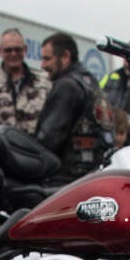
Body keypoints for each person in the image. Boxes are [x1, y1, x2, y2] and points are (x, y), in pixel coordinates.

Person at [35, 32, 114, 182]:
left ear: (65, 56)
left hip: (68, 177)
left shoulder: (67, 86)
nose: (43, 65)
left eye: (47, 59)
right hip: (95, 173)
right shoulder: (91, 82)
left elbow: (49, 140)